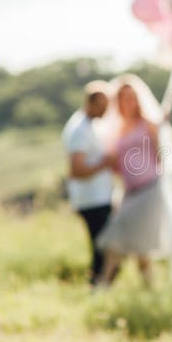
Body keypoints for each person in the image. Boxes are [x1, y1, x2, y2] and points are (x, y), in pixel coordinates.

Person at [95, 73, 172, 287]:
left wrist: (162, 127)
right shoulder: (117, 128)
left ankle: (103, 286)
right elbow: (116, 166)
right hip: (129, 193)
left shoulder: (149, 124)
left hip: (150, 190)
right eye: (123, 97)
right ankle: (146, 288)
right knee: (139, 248)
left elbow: (162, 157)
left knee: (119, 241)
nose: (128, 101)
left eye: (131, 96)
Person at [61, 80, 115, 286]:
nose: (106, 110)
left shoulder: (89, 125)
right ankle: (97, 288)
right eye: (103, 105)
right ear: (91, 103)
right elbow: (77, 170)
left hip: (98, 197)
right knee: (102, 247)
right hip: (91, 199)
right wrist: (105, 163)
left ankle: (101, 287)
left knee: (103, 246)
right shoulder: (80, 130)